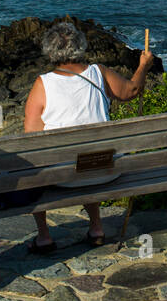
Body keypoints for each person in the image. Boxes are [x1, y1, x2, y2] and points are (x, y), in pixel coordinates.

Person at [23, 20, 158, 252]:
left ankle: (44, 236)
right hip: (104, 170)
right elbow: (132, 90)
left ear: (50, 50)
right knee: (90, 154)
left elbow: (31, 139)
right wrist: (143, 65)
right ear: (80, 46)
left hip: (63, 176)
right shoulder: (98, 73)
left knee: (33, 166)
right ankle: (96, 228)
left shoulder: (42, 84)